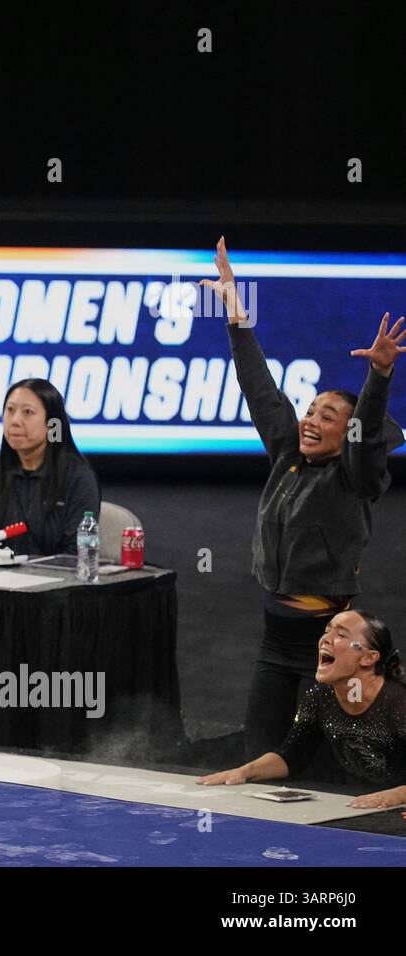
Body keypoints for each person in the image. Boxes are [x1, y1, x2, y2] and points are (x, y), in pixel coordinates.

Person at [201, 236, 405, 761]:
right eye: (310, 410)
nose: (312, 420)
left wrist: (379, 375)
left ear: (349, 432)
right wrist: (234, 312)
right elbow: (258, 385)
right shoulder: (288, 450)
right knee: (260, 755)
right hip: (275, 640)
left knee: (318, 771)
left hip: (329, 645)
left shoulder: (354, 476)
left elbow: (365, 435)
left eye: (327, 417)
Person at [197, 609, 406, 809]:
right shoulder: (321, 695)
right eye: (327, 631)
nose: (325, 639)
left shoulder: (399, 704)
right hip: (355, 806)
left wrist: (395, 796)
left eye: (341, 635)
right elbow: (291, 756)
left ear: (369, 658)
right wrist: (245, 771)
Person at [0, 378, 99, 556]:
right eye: (10, 410)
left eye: (28, 412)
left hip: (59, 579)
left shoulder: (77, 476)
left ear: (52, 424)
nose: (15, 420)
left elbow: (77, 553)